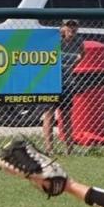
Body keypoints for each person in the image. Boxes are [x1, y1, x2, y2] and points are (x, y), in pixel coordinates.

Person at [42, 20, 85, 154]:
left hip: (67, 82)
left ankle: (69, 149)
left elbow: (82, 54)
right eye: (68, 25)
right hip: (51, 82)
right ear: (63, 27)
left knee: (66, 115)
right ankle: (49, 149)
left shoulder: (78, 42)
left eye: (74, 25)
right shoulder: (55, 39)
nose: (71, 28)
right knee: (49, 115)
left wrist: (73, 65)